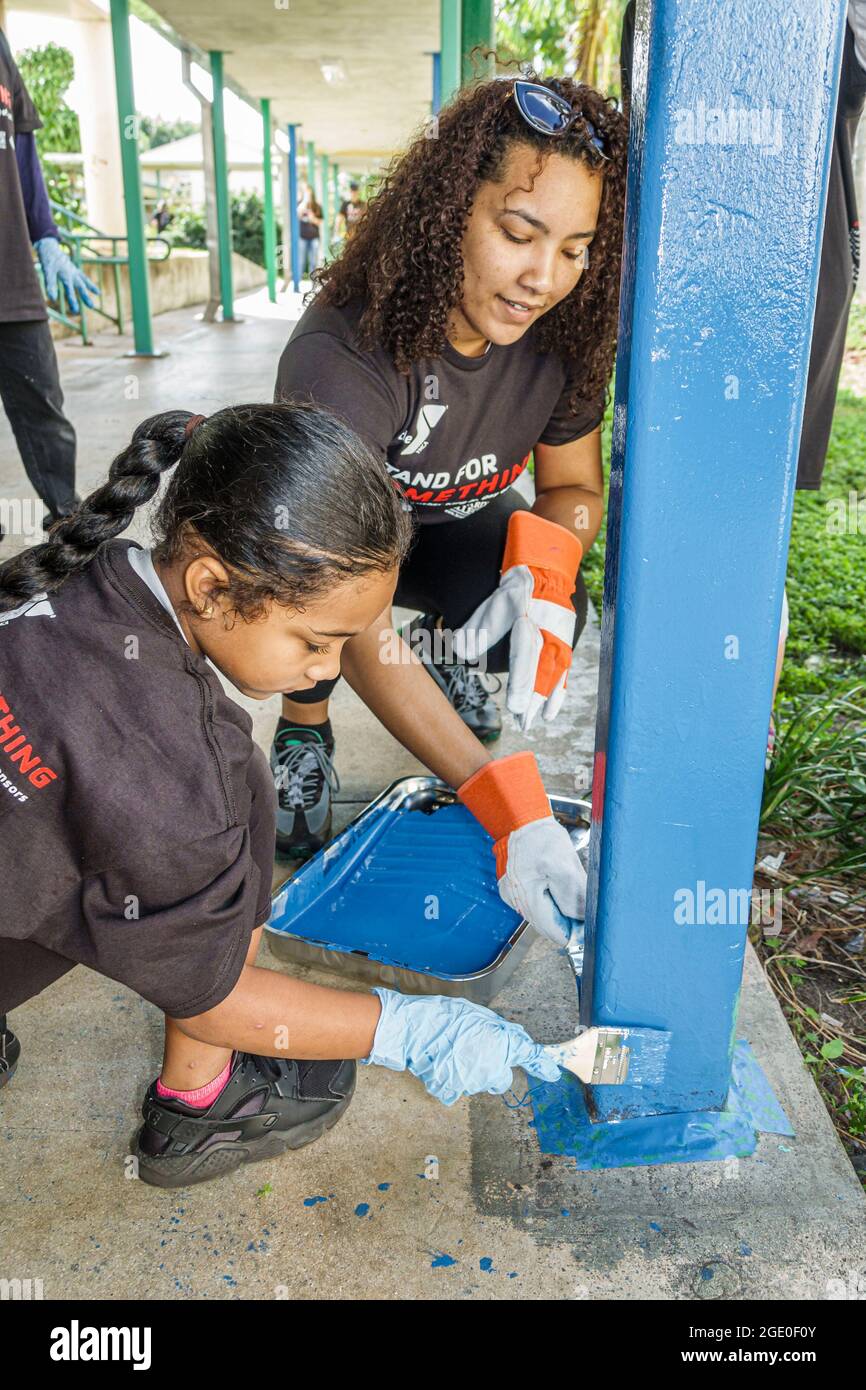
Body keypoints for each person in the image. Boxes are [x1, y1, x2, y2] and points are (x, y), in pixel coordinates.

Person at [0, 401, 572, 1188]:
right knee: (215, 874)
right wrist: (406, 1027)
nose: (328, 669)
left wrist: (510, 803)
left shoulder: (78, 572)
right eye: (317, 641)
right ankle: (204, 1101)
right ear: (209, 584)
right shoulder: (194, 778)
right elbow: (211, 1003)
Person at [273, 72, 627, 858]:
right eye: (518, 232)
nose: (545, 278)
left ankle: (445, 644)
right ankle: (302, 732)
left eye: (576, 249)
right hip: (340, 545)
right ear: (448, 213)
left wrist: (547, 569)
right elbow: (350, 610)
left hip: (454, 523)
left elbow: (572, 487)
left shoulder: (564, 337)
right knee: (310, 591)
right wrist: (500, 797)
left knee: (527, 613)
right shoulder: (344, 359)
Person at [620, 1, 866, 756]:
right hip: (676, 256)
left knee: (749, 515)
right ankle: (652, 726)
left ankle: (726, 727)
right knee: (662, 494)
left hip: (789, 267)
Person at [0, 27, 98, 547]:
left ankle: (67, 522)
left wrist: (46, 237)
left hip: (11, 272)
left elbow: (23, 155)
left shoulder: (0, 48)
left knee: (45, 406)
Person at [298, 182, 322, 278]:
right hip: (302, 237)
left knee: (313, 262)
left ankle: (313, 283)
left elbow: (320, 221)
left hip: (314, 238)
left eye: (309, 192)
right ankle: (297, 285)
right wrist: (305, 201)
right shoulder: (300, 204)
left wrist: (313, 219)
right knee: (301, 261)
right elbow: (298, 214)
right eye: (305, 192)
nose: (307, 194)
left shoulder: (317, 206)